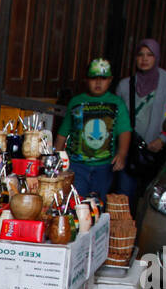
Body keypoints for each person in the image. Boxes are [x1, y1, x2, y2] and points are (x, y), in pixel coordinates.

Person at [113, 39, 166, 211]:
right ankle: (125, 236)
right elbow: (116, 119)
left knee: (152, 201)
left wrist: (162, 139)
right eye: (140, 55)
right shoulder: (124, 85)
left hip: (158, 152)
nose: (144, 59)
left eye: (150, 55)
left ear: (157, 57)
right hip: (130, 152)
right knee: (124, 199)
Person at [55, 58, 131, 203]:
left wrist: (122, 153)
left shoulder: (117, 103)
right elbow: (63, 132)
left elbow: (124, 130)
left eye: (103, 78)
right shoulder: (76, 102)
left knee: (98, 202)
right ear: (86, 80)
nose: (98, 82)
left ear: (110, 80)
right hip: (77, 165)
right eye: (93, 78)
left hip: (104, 165)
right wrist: (57, 158)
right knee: (76, 201)